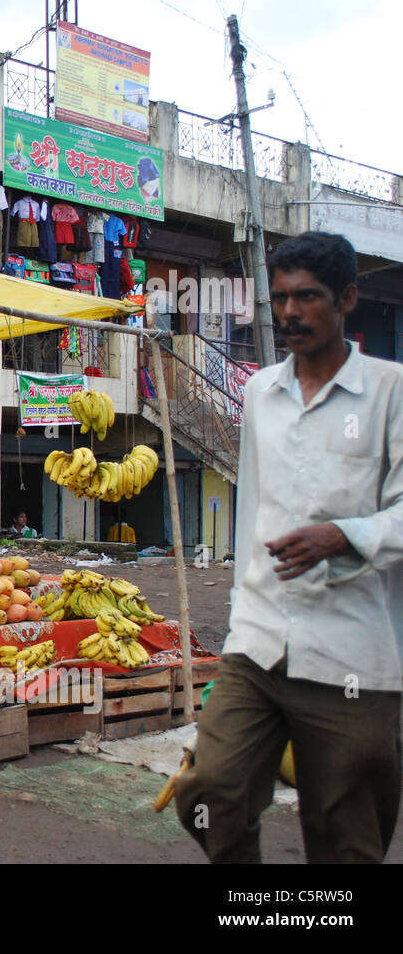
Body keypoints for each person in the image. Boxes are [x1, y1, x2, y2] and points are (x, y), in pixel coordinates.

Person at [173, 231, 402, 862]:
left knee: (345, 836)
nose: (291, 313)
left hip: (352, 649)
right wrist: (241, 617)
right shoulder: (260, 393)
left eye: (309, 297)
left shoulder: (390, 392)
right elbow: (255, 507)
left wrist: (343, 534)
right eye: (280, 299)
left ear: (347, 298)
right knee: (209, 791)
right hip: (261, 637)